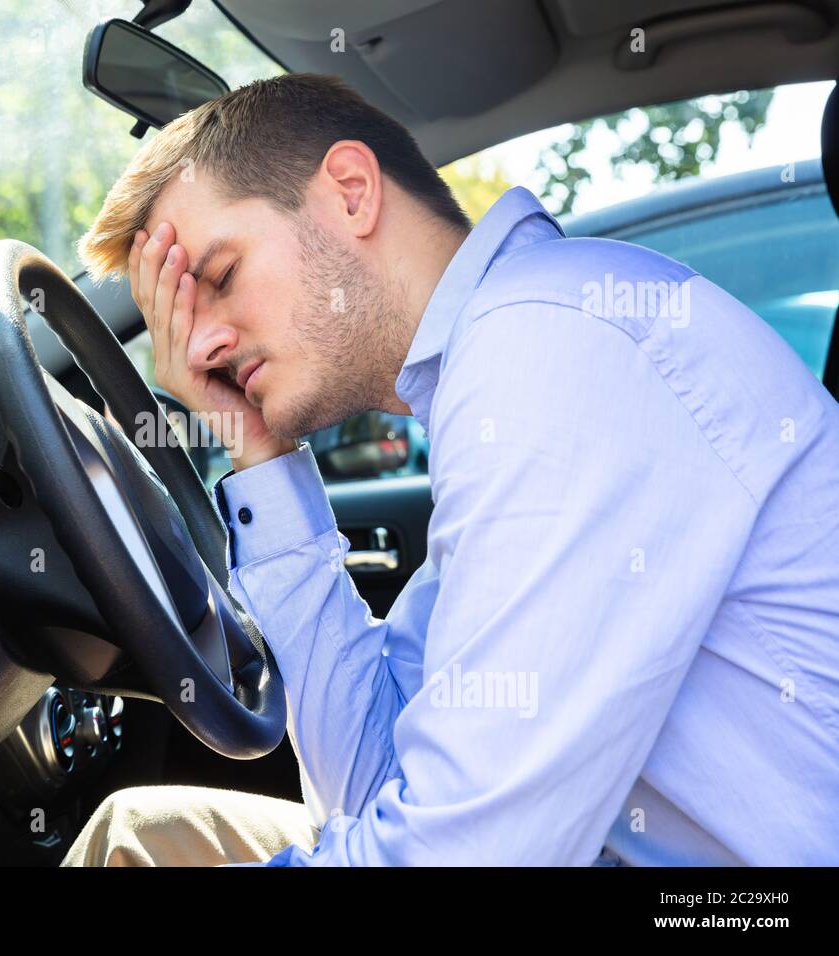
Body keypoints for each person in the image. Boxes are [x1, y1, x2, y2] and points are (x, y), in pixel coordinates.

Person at [62, 74, 839, 866]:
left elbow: (469, 852)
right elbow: (370, 787)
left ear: (352, 193)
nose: (196, 352)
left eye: (220, 278)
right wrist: (255, 447)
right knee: (143, 837)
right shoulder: (500, 365)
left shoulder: (552, 353)